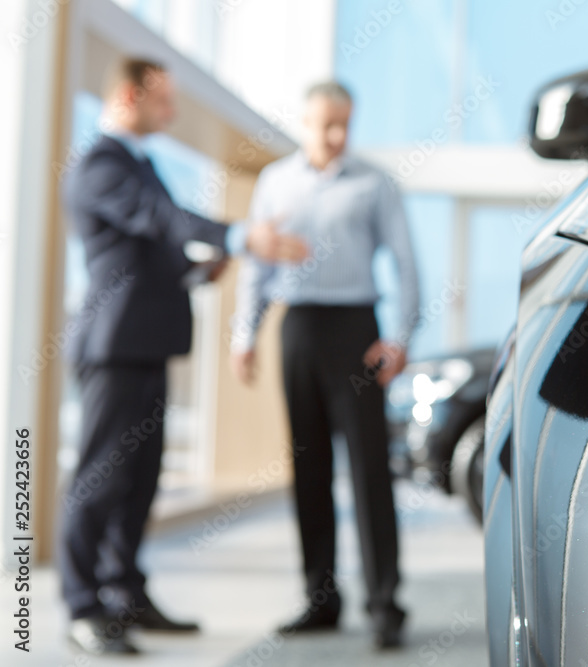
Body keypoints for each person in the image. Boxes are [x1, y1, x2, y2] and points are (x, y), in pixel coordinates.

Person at [60, 57, 310, 656]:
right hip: (113, 347)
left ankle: (125, 594)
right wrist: (237, 235)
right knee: (100, 478)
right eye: (163, 99)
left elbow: (154, 251)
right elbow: (160, 220)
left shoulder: (141, 164)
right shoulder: (101, 164)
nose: (171, 112)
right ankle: (82, 604)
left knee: (141, 479)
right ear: (128, 96)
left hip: (148, 345)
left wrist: (202, 267)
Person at [229, 80, 419, 649]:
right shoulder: (275, 182)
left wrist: (400, 337)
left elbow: (407, 265)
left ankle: (385, 604)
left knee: (368, 471)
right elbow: (258, 267)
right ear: (305, 123)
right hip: (299, 330)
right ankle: (320, 600)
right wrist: (245, 335)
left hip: (355, 331)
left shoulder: (374, 184)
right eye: (326, 125)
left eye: (345, 124)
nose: (336, 136)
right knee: (308, 467)